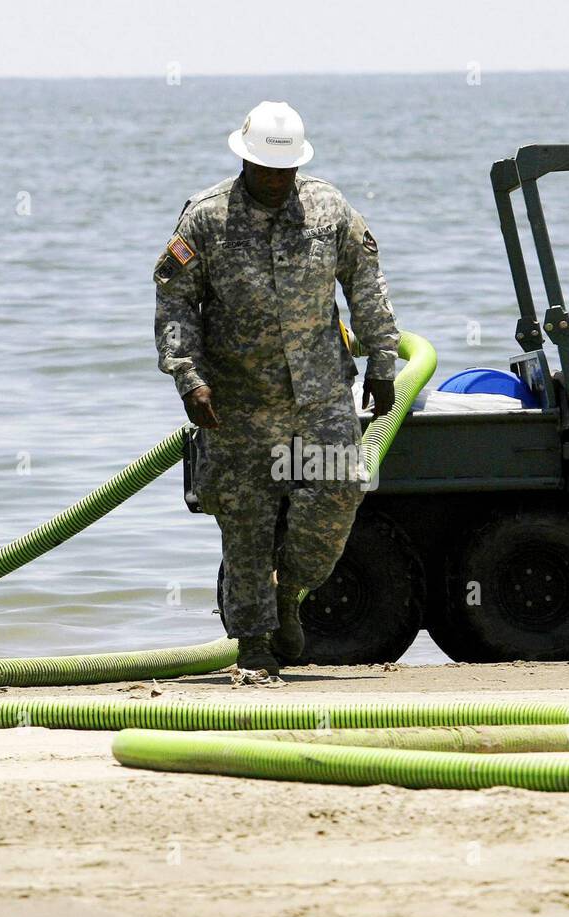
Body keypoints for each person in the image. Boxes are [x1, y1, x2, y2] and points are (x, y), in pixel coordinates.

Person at [153, 101, 400, 675]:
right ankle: (255, 644)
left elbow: (365, 281)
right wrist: (187, 376)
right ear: (244, 161)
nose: (275, 181)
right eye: (265, 170)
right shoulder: (207, 219)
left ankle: (289, 594)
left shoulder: (328, 208)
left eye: (284, 171)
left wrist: (383, 360)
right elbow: (174, 301)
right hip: (238, 402)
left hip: (319, 395)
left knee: (339, 489)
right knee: (246, 522)